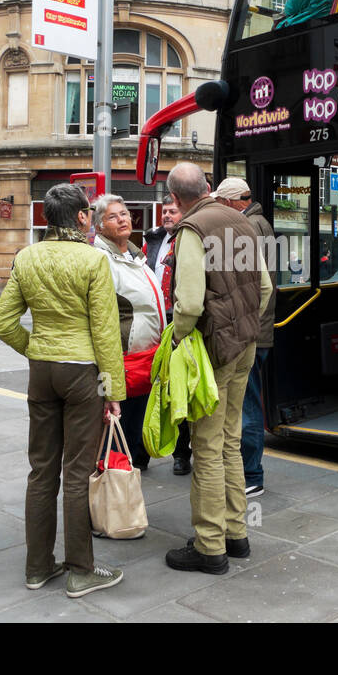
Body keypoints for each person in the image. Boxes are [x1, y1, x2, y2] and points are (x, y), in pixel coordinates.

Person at [0, 184, 127, 597]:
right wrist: (114, 389)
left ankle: (37, 567)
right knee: (77, 473)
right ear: (83, 218)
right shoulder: (93, 260)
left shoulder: (28, 256)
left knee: (41, 470)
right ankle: (80, 570)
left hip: (42, 370)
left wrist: (33, 347)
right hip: (82, 371)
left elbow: (2, 321)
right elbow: (105, 331)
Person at [163, 163, 272, 575]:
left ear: (175, 199)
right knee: (229, 440)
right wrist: (243, 327)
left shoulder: (193, 230)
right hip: (245, 345)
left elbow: (189, 303)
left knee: (206, 446)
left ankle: (210, 546)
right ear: (208, 188)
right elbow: (263, 288)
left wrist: (178, 340)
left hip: (212, 350)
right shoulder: (241, 222)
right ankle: (236, 534)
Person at [92, 194, 166, 475]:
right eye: (113, 216)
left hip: (144, 358)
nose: (122, 219)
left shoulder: (135, 254)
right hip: (122, 359)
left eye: (124, 213)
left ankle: (126, 479)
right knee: (114, 431)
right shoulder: (101, 259)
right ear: (99, 226)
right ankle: (110, 487)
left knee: (133, 428)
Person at [213, 177, 277, 497]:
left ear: (235, 201)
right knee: (248, 401)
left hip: (252, 331)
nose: (220, 211)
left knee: (247, 405)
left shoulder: (249, 226)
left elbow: (259, 286)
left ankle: (252, 473)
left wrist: (244, 326)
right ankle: (248, 470)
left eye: (222, 205)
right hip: (258, 328)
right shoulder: (259, 222)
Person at [143, 200, 195, 476]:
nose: (166, 215)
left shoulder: (191, 238)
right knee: (151, 385)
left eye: (172, 211)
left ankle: (181, 454)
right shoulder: (153, 240)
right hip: (154, 320)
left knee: (178, 389)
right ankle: (142, 450)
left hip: (179, 321)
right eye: (164, 211)